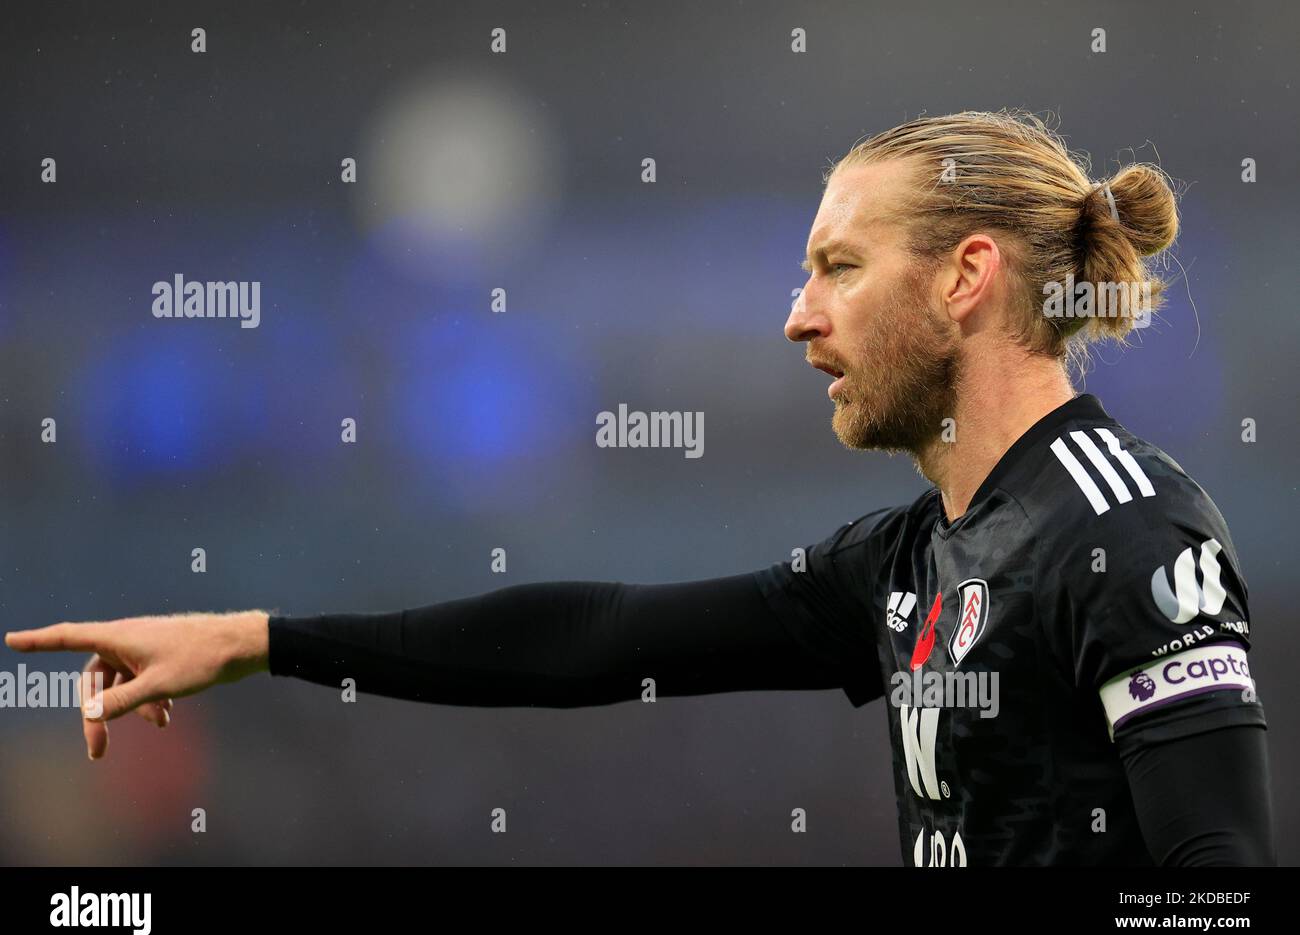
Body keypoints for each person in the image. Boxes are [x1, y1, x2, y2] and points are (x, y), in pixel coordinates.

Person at [5, 110, 1274, 866]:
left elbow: (1216, 879)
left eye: (837, 266)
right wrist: (259, 638)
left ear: (965, 278)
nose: (798, 317)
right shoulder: (911, 559)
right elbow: (598, 636)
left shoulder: (1125, 528)